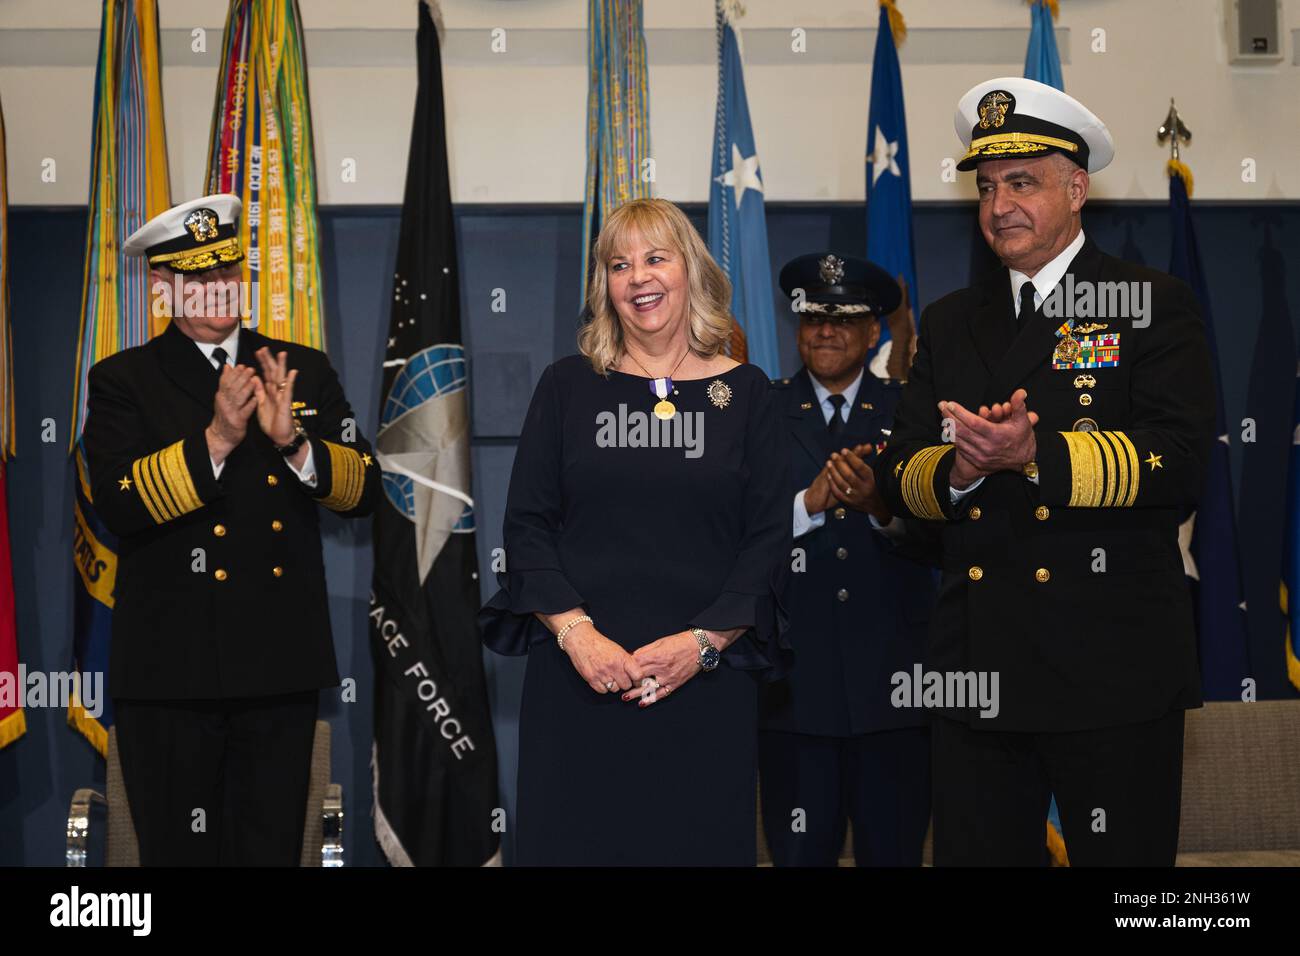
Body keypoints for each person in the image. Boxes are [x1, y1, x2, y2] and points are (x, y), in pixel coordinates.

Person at [876, 77, 1215, 866]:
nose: (1000, 207)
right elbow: (898, 472)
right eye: (988, 188)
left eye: (1022, 183)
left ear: (1076, 188)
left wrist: (1037, 455)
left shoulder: (1149, 302)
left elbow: (1181, 460)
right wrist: (959, 470)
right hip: (978, 669)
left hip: (1112, 668)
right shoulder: (953, 320)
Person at [478, 197, 792, 865]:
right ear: (605, 287)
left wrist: (703, 643)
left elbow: (768, 539)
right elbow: (527, 526)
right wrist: (578, 635)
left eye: (656, 258)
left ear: (691, 271)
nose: (638, 277)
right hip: (580, 680)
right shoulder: (565, 387)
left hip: (706, 682)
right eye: (619, 264)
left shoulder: (749, 393)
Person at [82, 194, 380, 865]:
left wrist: (295, 444)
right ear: (161, 286)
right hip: (170, 675)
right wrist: (217, 438)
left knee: (269, 853)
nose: (217, 290)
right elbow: (119, 503)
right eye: (197, 278)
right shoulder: (124, 380)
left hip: (278, 667)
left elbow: (364, 489)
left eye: (226, 274)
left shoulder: (300, 367)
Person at [759, 253, 935, 866]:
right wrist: (809, 503)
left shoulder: (913, 412)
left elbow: (948, 534)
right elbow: (733, 538)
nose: (826, 330)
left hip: (895, 692)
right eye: (813, 317)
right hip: (794, 696)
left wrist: (881, 508)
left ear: (874, 333)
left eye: (845, 318)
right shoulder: (761, 413)